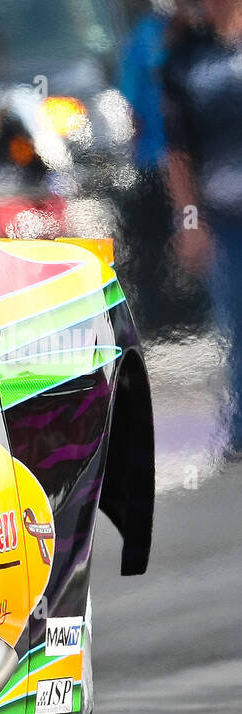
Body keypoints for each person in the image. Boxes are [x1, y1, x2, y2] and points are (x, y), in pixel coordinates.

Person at [163, 0, 242, 455]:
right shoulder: (186, 59)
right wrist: (190, 223)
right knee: (236, 322)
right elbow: (178, 154)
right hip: (225, 216)